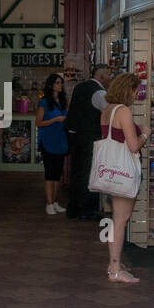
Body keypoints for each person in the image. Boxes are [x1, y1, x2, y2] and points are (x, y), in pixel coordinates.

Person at [99, 72, 147, 283]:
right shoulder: (123, 111)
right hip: (124, 173)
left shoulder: (108, 110)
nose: (138, 94)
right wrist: (145, 133)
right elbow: (133, 145)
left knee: (117, 219)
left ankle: (115, 263)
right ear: (128, 90)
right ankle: (115, 267)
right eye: (136, 90)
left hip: (112, 171)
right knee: (120, 220)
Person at [64, 63, 113, 220]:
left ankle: (73, 208)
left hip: (75, 135)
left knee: (77, 172)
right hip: (90, 137)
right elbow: (109, 113)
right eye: (108, 75)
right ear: (101, 76)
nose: (110, 78)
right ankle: (86, 211)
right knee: (89, 174)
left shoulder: (80, 87)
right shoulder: (99, 93)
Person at [35, 73, 69, 215]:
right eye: (57, 83)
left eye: (61, 83)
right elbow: (39, 123)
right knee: (49, 173)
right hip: (48, 141)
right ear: (51, 85)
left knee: (57, 174)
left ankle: (55, 201)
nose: (60, 85)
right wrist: (55, 120)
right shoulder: (44, 102)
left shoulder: (62, 101)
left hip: (60, 140)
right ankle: (49, 203)